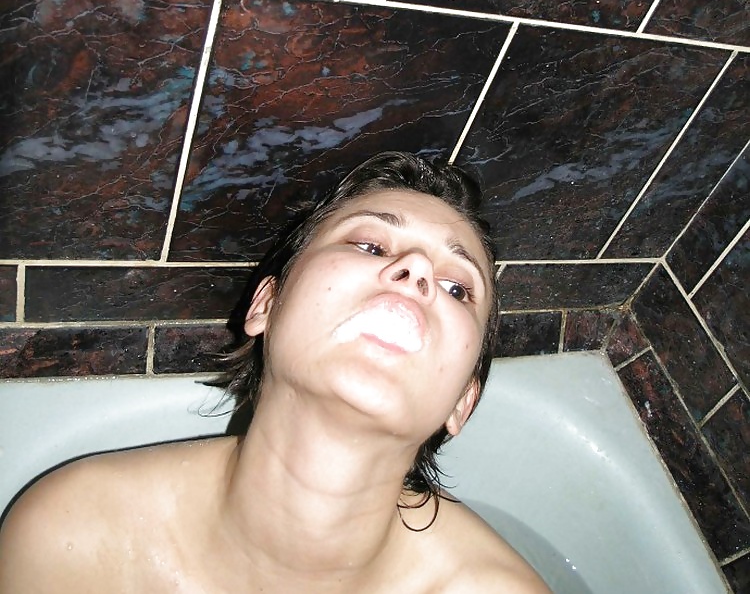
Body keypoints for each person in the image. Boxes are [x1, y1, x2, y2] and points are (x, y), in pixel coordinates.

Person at [0, 151, 551, 593]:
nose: (417, 270)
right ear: (266, 304)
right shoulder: (72, 536)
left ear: (464, 401)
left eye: (457, 288)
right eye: (370, 245)